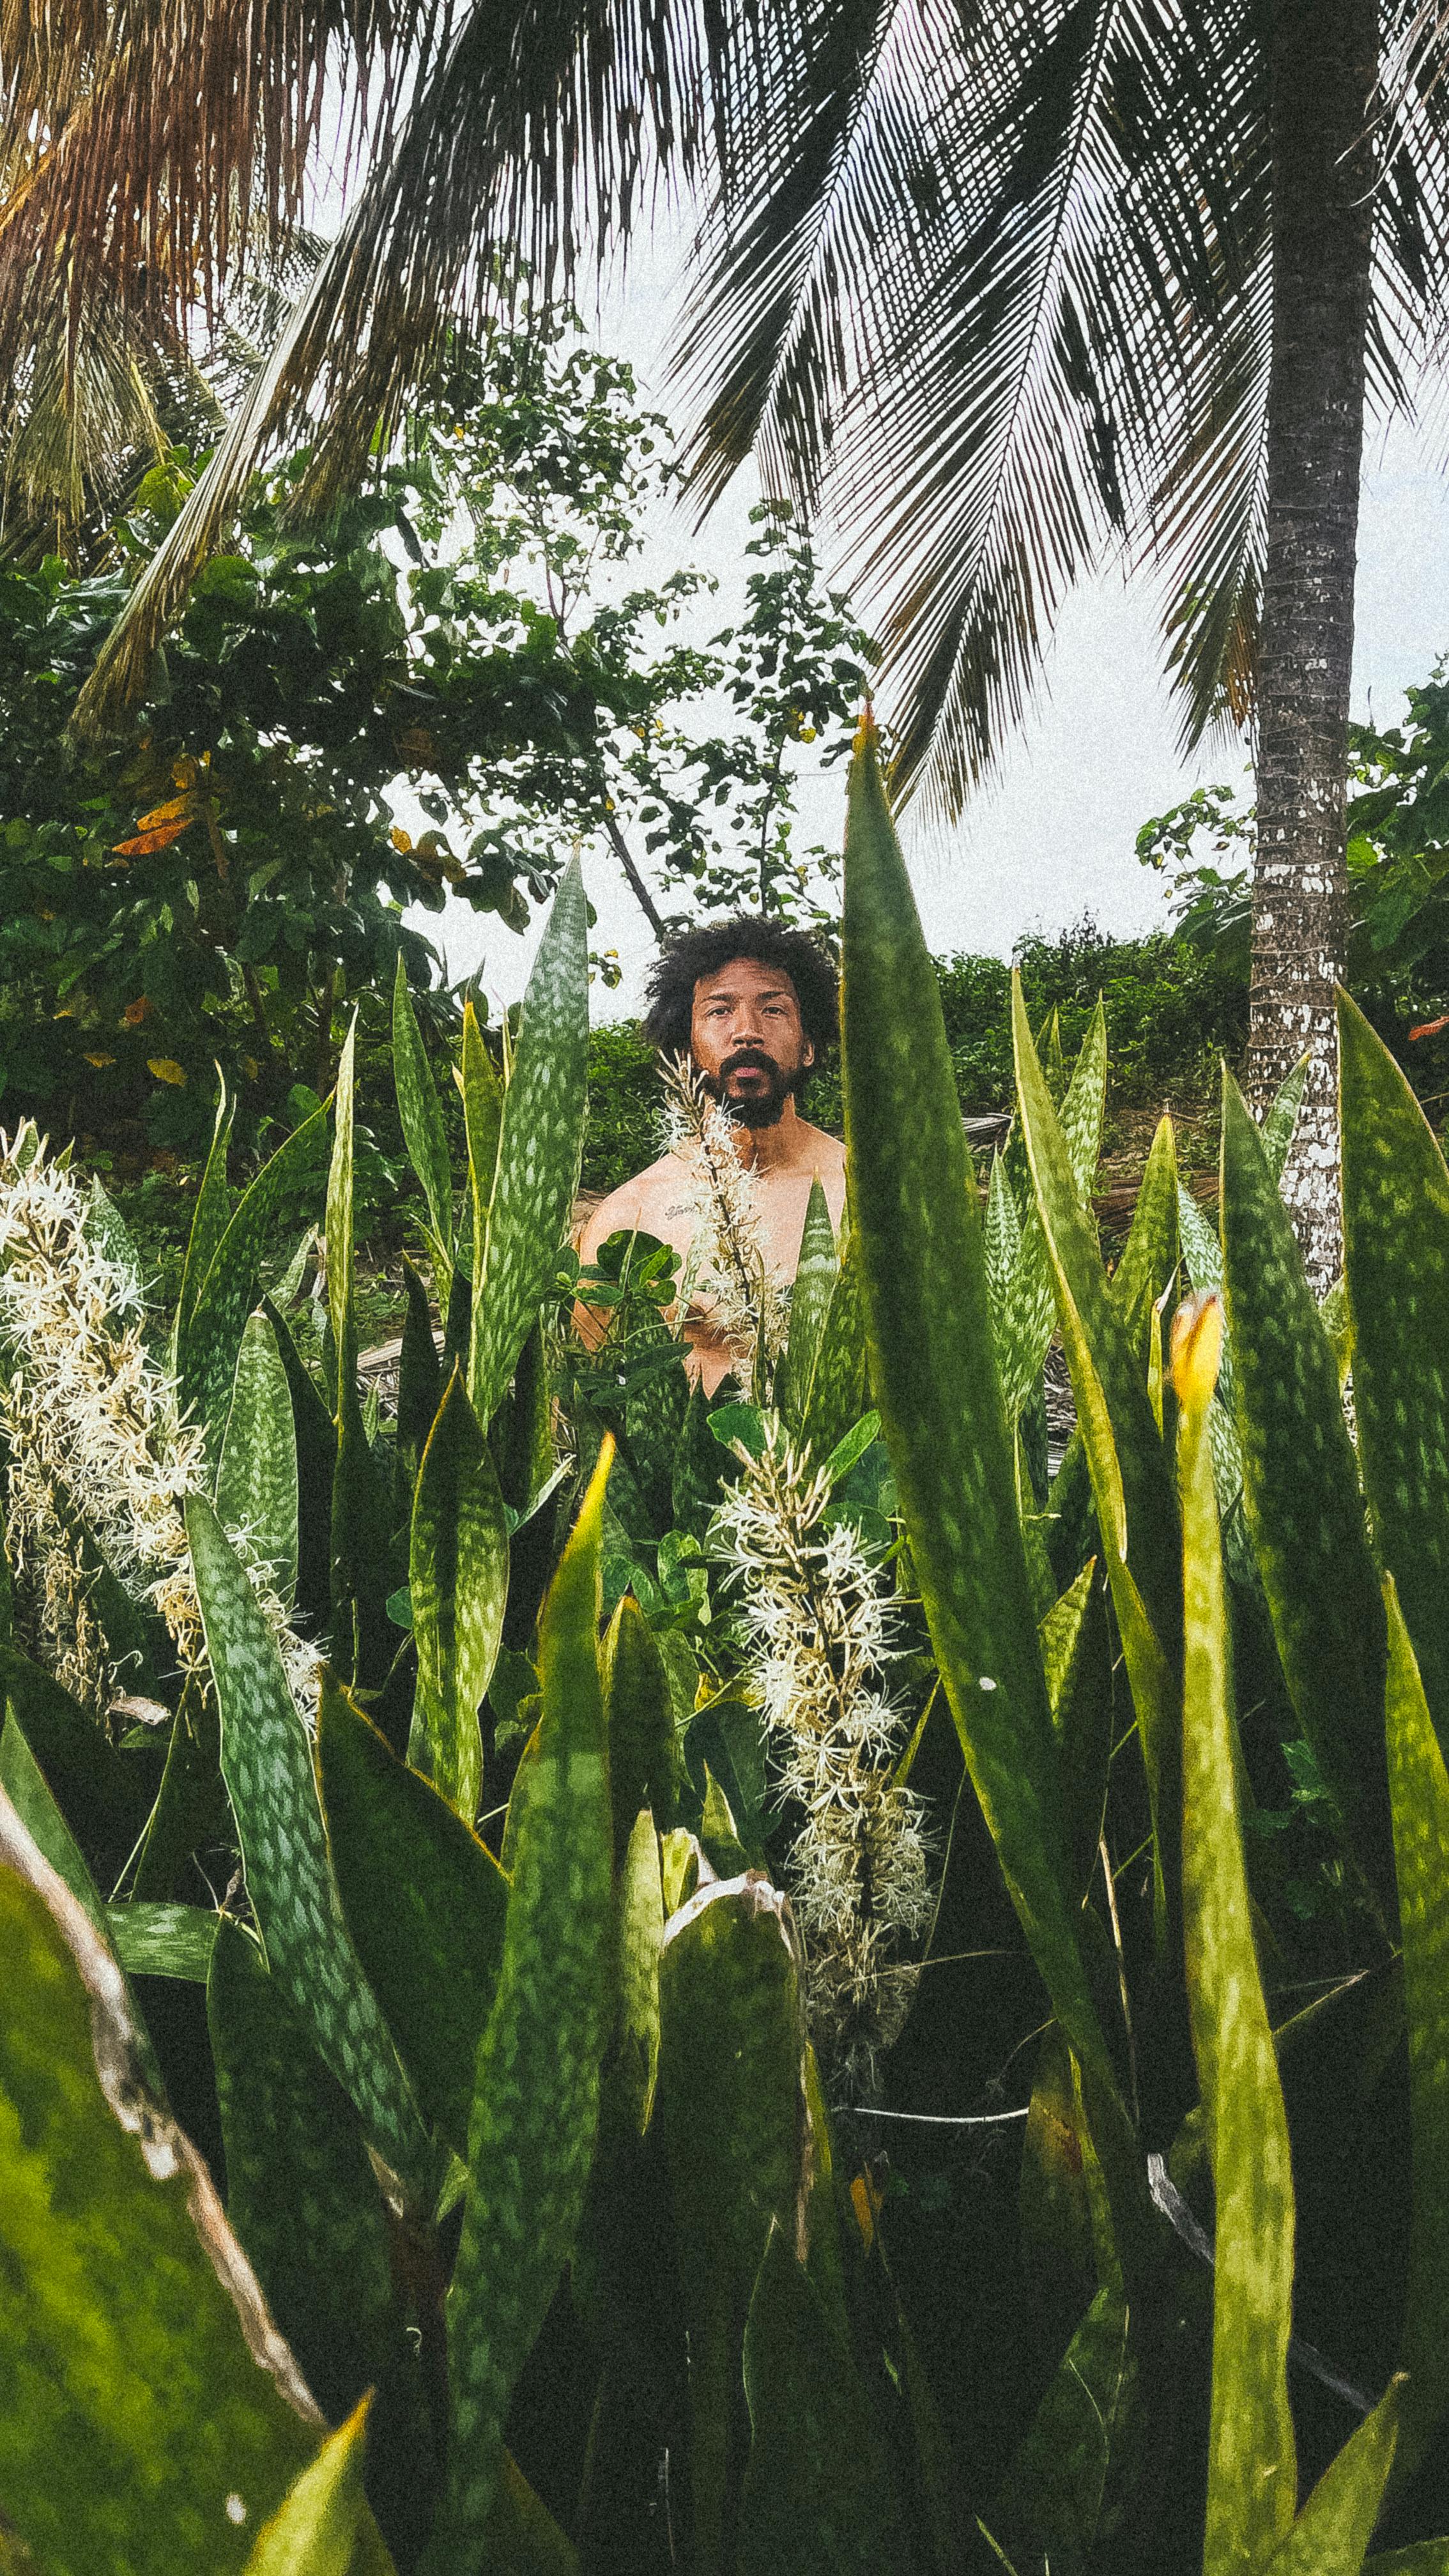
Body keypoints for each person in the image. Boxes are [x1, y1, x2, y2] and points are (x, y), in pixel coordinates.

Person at [576, 916, 846, 1391]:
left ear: (808, 1046)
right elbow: (587, 1400)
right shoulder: (632, 1216)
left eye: (774, 1010)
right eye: (719, 1011)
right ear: (685, 1050)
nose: (747, 1032)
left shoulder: (867, 1190)